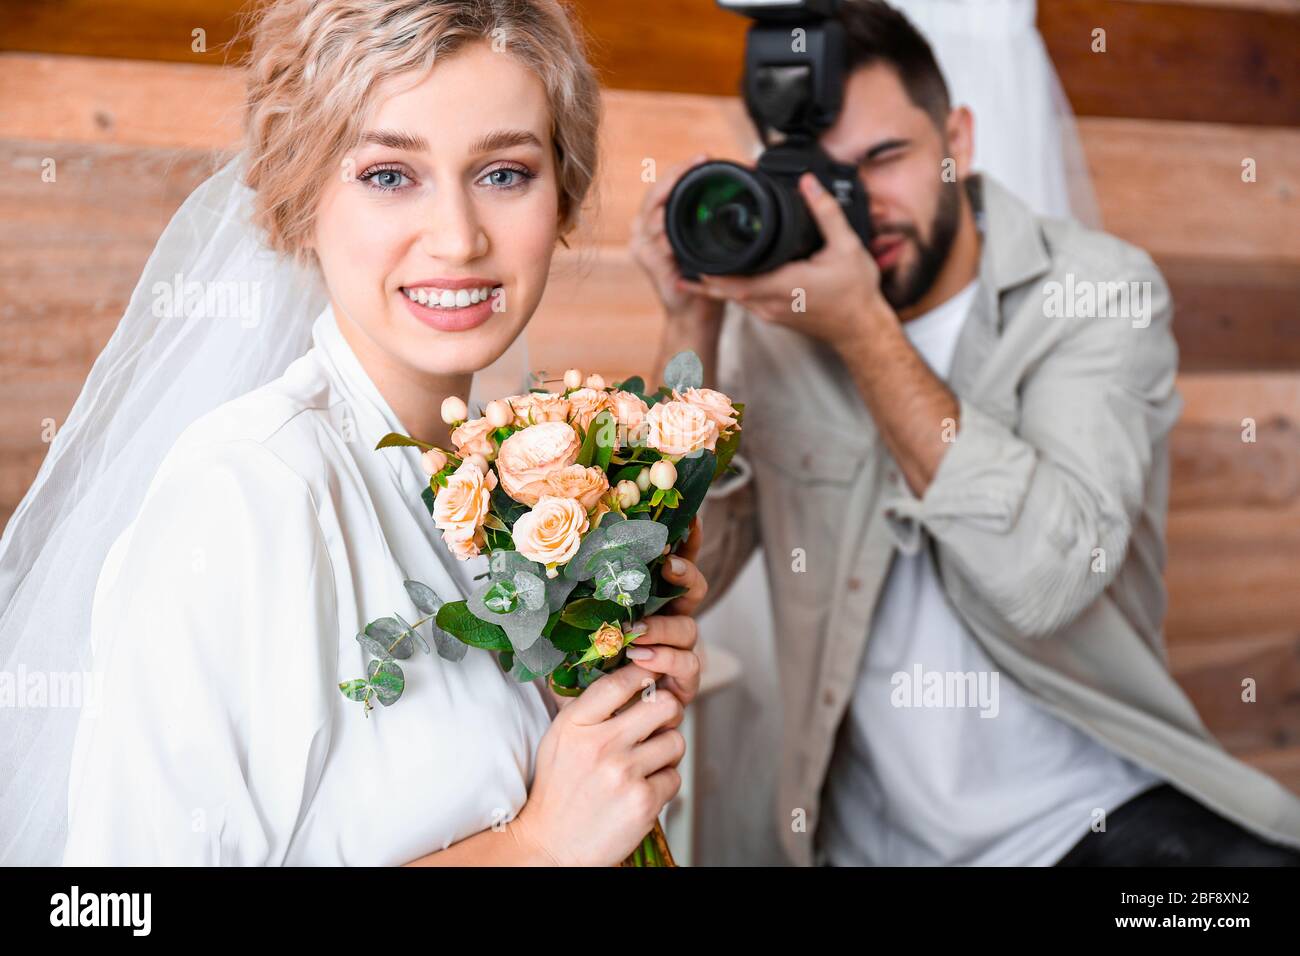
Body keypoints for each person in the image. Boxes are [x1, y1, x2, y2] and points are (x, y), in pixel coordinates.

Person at [0, 0, 706, 867]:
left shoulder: (518, 488)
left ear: (562, 195)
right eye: (387, 174)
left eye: (504, 173)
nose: (457, 238)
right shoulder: (245, 496)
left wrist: (596, 698)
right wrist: (537, 849)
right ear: (301, 199)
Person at [632, 0, 1300, 866]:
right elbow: (668, 582)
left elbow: (1045, 580)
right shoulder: (777, 327)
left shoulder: (1097, 291)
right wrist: (691, 327)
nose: (854, 208)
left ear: (959, 140)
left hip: (1094, 819)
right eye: (819, 174)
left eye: (884, 158)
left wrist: (862, 331)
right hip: (868, 844)